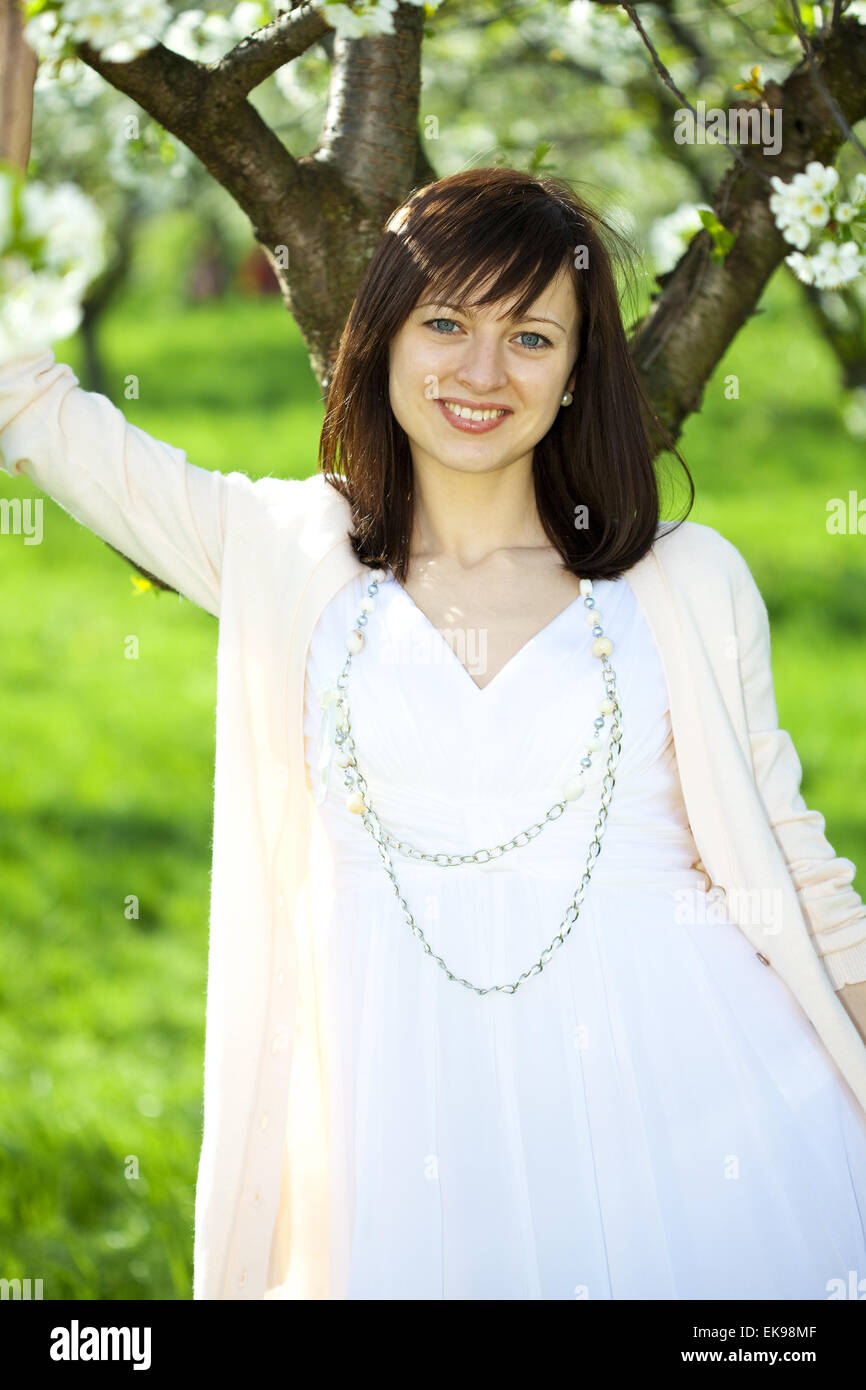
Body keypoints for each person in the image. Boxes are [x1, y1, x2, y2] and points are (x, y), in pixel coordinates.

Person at [3, 166, 866, 1302]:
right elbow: (23, 401)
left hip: (679, 1095)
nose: (478, 372)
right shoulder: (283, 550)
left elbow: (793, 868)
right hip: (393, 1122)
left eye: (530, 338)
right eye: (444, 323)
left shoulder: (682, 582)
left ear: (576, 371)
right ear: (382, 338)